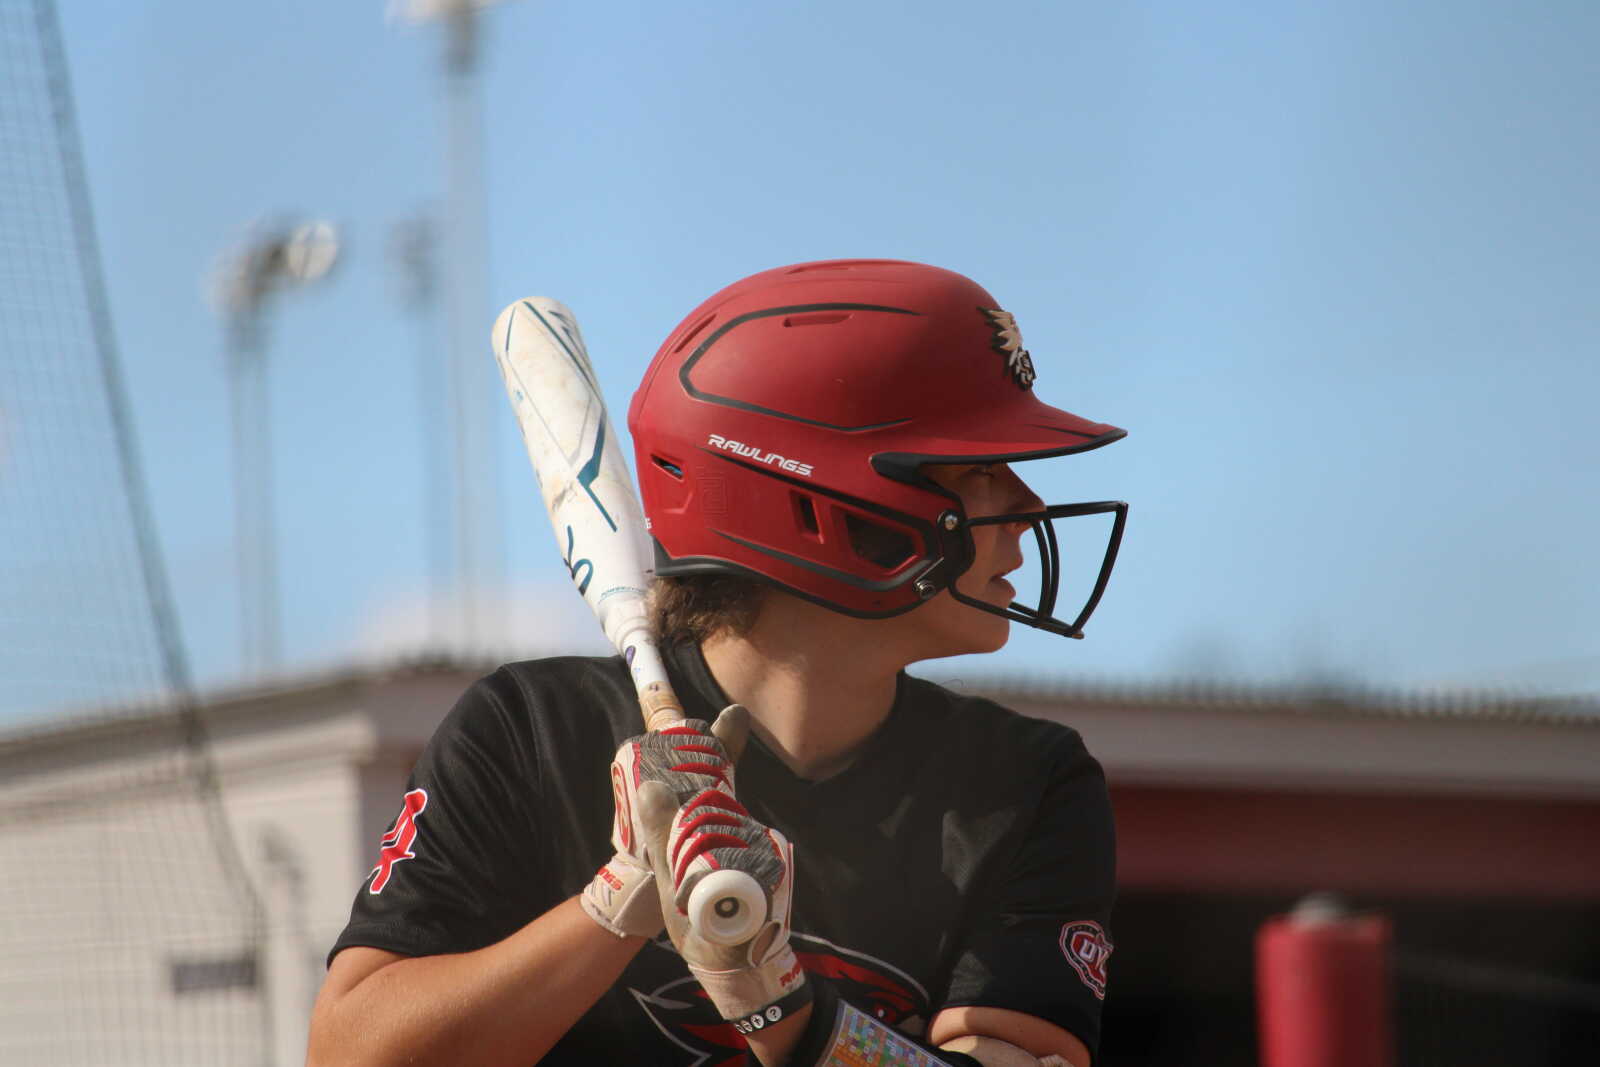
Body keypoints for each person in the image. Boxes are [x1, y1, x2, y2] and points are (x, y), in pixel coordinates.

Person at [308, 259, 1128, 1067]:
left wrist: (774, 1001)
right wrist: (616, 901)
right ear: (824, 507)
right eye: (981, 467)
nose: (1026, 505)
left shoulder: (1023, 784)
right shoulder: (534, 731)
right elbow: (349, 1053)